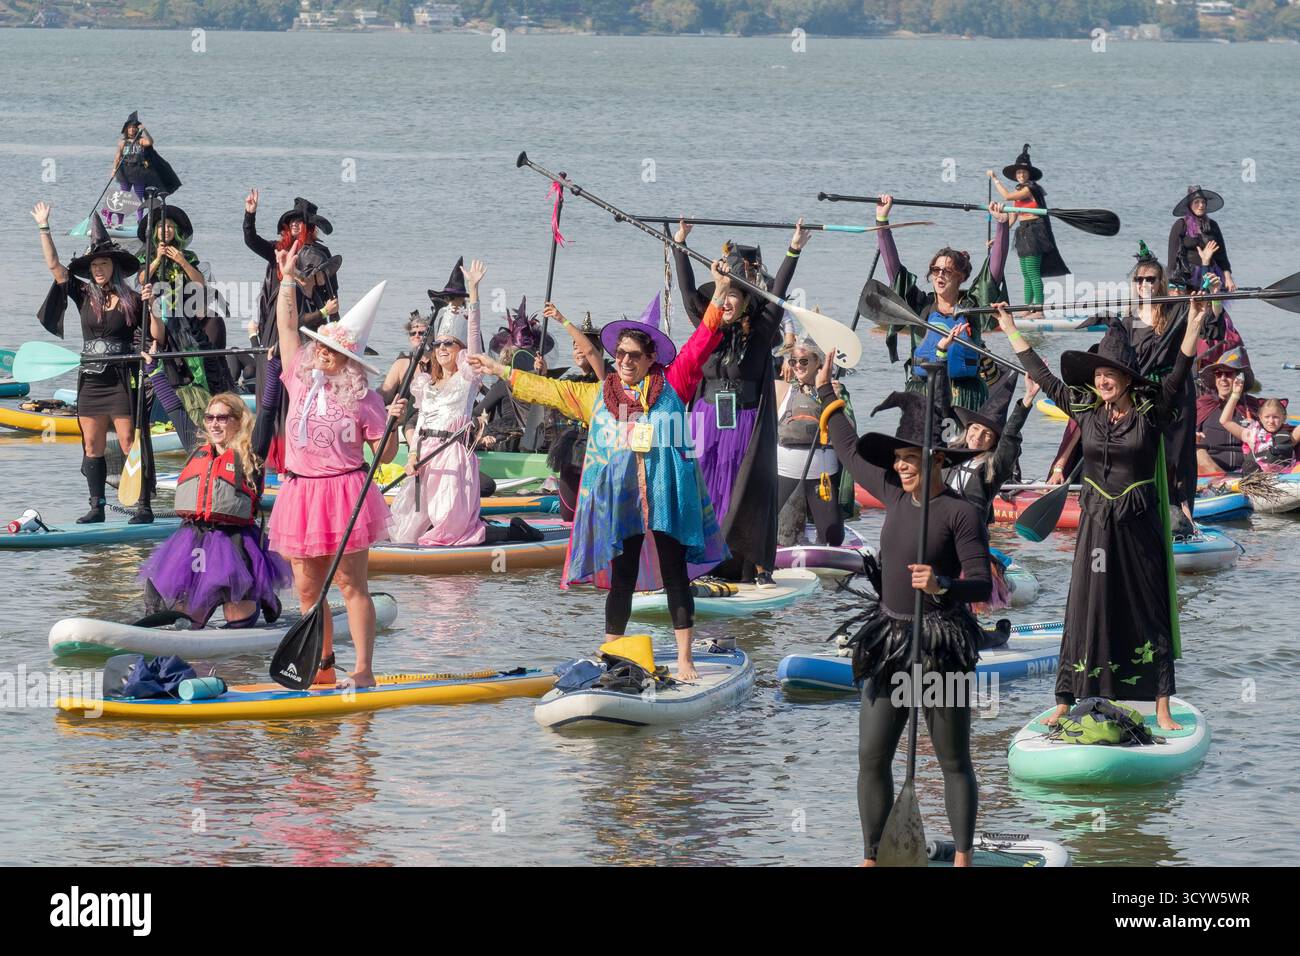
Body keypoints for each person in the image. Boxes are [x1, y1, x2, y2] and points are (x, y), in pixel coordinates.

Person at [468, 263, 734, 680]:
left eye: (634, 356)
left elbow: (700, 343)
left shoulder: (675, 385)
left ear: (651, 360)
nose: (625, 361)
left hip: (668, 497)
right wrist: (499, 370)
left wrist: (718, 293)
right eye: (620, 355)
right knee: (623, 576)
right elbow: (550, 390)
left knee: (675, 574)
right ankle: (611, 654)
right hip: (622, 499)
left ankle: (685, 659)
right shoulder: (599, 395)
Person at [994, 296, 1210, 732]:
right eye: (1098, 374)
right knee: (1085, 608)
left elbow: (1179, 370)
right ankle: (1065, 697)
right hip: (1095, 526)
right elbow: (1041, 375)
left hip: (1139, 525)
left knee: (1149, 607)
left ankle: (1161, 703)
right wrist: (1010, 326)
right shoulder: (1086, 409)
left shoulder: (1151, 413)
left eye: (1110, 374)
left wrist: (1194, 323)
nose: (1103, 380)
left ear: (1127, 379)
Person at [816, 351, 990, 867]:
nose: (899, 466)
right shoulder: (892, 492)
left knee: (954, 759)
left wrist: (942, 585)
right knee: (872, 757)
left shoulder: (961, 514)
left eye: (909, 459)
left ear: (937, 460)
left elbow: (979, 584)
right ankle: (872, 857)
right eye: (897, 459)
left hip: (940, 645)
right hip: (888, 640)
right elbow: (847, 449)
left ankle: (962, 858)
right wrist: (828, 392)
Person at [266, 241, 405, 689]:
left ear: (348, 359)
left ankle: (363, 669)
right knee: (308, 590)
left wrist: (396, 427)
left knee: (349, 584)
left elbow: (383, 456)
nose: (323, 353)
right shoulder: (297, 378)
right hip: (299, 490)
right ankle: (323, 664)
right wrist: (286, 277)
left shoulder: (364, 399)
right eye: (321, 346)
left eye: (333, 350)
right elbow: (287, 326)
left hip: (344, 491)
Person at [673, 221, 812, 586]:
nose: (729, 300)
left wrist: (793, 249)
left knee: (741, 490)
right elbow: (688, 292)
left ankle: (749, 564)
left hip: (742, 425)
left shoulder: (762, 332)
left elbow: (779, 294)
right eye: (725, 294)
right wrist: (679, 245)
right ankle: (698, 562)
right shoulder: (707, 328)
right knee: (703, 490)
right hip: (703, 424)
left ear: (749, 301)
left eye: (737, 295)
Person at [388, 260, 539, 547]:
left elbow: (474, 338)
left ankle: (513, 533)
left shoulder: (467, 378)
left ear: (459, 350)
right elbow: (420, 424)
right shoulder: (426, 384)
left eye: (448, 344)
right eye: (438, 344)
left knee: (450, 526)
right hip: (425, 456)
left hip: (452, 454)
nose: (442, 348)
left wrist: (474, 291)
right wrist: (411, 457)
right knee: (409, 528)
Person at [33, 203, 166, 523]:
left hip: (121, 378)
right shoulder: (82, 293)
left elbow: (157, 336)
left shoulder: (134, 299)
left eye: (103, 264)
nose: (98, 269)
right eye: (94, 265)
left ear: (114, 267)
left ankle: (143, 505)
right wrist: (44, 228)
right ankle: (97, 506)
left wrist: (153, 304)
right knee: (92, 443)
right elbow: (54, 266)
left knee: (127, 441)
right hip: (91, 378)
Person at [140, 388, 290, 627]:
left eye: (222, 418)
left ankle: (262, 598)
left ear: (239, 421)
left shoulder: (252, 453)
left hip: (236, 541)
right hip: (194, 538)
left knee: (237, 618)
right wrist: (153, 368)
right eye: (210, 418)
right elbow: (175, 409)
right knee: (188, 620)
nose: (214, 424)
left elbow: (268, 411)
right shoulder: (195, 447)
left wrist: (273, 368)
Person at [875, 194, 1011, 410]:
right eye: (936, 270)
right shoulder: (920, 305)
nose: (940, 275)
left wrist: (1002, 225)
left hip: (966, 395)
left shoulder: (972, 305)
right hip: (923, 391)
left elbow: (993, 272)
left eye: (947, 271)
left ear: (961, 276)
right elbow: (895, 273)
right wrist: (882, 223)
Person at [244, 191, 339, 470]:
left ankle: (294, 456)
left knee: (291, 392)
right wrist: (250, 214)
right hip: (272, 325)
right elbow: (251, 240)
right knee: (267, 394)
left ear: (310, 228)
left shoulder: (317, 255)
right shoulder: (278, 251)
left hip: (301, 326)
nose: (295, 226)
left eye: (301, 223)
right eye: (292, 222)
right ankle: (266, 458)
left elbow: (321, 293)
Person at [774, 338, 852, 547]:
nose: (797, 366)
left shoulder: (834, 390)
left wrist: (835, 401)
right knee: (784, 538)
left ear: (818, 362)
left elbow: (849, 432)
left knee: (833, 537)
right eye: (793, 361)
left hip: (822, 476)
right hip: (786, 473)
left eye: (804, 361)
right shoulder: (781, 390)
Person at [987, 145, 1069, 315]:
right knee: (1025, 272)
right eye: (1018, 173)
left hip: (1035, 232)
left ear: (1029, 174)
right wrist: (998, 238)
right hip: (1022, 231)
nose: (1021, 175)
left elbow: (1007, 197)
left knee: (1032, 271)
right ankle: (1027, 307)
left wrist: (995, 178)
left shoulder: (1030, 189)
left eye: (1024, 173)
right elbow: (1013, 216)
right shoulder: (1020, 191)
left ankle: (1039, 309)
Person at [545, 309, 608, 522]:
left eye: (580, 345)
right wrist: (543, 374)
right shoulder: (569, 383)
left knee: (595, 514)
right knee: (568, 515)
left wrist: (562, 320)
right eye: (574, 347)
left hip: (597, 453)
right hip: (570, 452)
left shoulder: (607, 380)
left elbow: (590, 351)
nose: (578, 350)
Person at [108, 111, 181, 226]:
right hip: (125, 172)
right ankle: (119, 222)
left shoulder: (140, 141)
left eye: (134, 128)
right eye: (129, 128)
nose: (132, 130)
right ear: (126, 129)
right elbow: (117, 157)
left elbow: (150, 142)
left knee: (138, 199)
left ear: (137, 129)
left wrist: (145, 130)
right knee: (123, 198)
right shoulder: (123, 143)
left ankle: (140, 222)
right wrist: (113, 170)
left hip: (138, 173)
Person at [1196, 348, 1260, 474]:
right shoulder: (1202, 406)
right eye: (1219, 374)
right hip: (1209, 472)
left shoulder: (1253, 407)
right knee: (1194, 448)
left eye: (1228, 374)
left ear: (1239, 378)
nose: (1223, 379)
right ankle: (1222, 478)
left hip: (1246, 472)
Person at [1167, 185, 1236, 292]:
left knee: (1214, 306)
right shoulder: (1181, 225)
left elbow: (1222, 256)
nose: (1201, 205)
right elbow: (1172, 258)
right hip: (1187, 276)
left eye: (1203, 202)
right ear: (1189, 205)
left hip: (1210, 274)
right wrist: (1171, 283)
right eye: (1196, 202)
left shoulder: (1213, 225)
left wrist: (1228, 277)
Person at [1220, 385, 1299, 475]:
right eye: (1267, 417)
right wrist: (1235, 394)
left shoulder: (1290, 436)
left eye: (1276, 417)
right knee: (1249, 466)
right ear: (1260, 417)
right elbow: (1225, 421)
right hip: (1256, 476)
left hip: (1284, 475)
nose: (1271, 421)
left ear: (1283, 418)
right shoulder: (1251, 435)